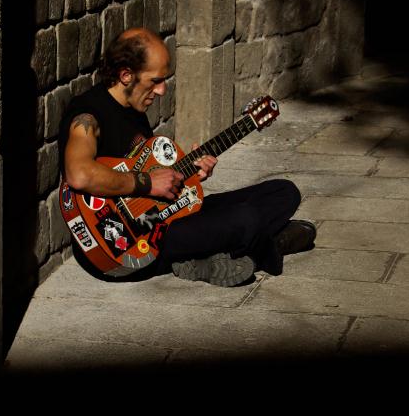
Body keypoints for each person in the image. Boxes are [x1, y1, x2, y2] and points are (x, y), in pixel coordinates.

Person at [58, 27, 316, 286]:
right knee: (245, 219)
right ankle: (266, 246)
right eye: (155, 81)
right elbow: (79, 174)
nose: (161, 91)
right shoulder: (88, 115)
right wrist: (148, 182)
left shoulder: (133, 110)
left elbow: (156, 191)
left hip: (162, 220)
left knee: (284, 192)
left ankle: (214, 254)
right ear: (126, 75)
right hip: (125, 245)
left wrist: (189, 174)